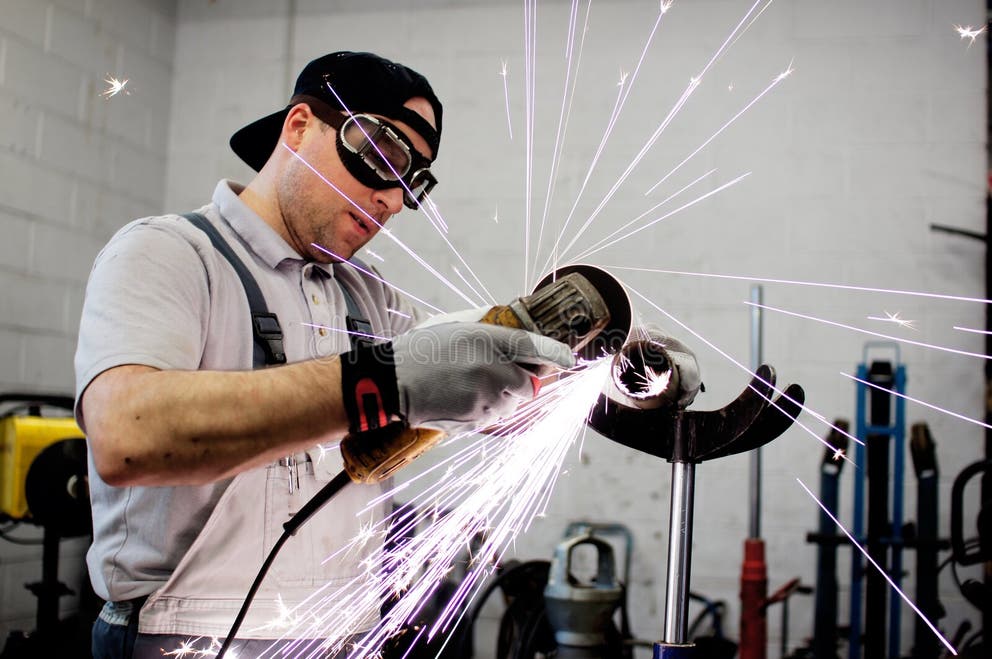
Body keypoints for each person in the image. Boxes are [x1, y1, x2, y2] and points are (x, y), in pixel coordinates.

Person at [74, 51, 574, 658]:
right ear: (299, 126)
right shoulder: (170, 254)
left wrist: (607, 362)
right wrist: (385, 382)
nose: (390, 199)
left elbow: (485, 383)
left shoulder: (370, 297)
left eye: (410, 181)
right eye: (383, 156)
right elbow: (127, 436)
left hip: (348, 633)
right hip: (187, 637)